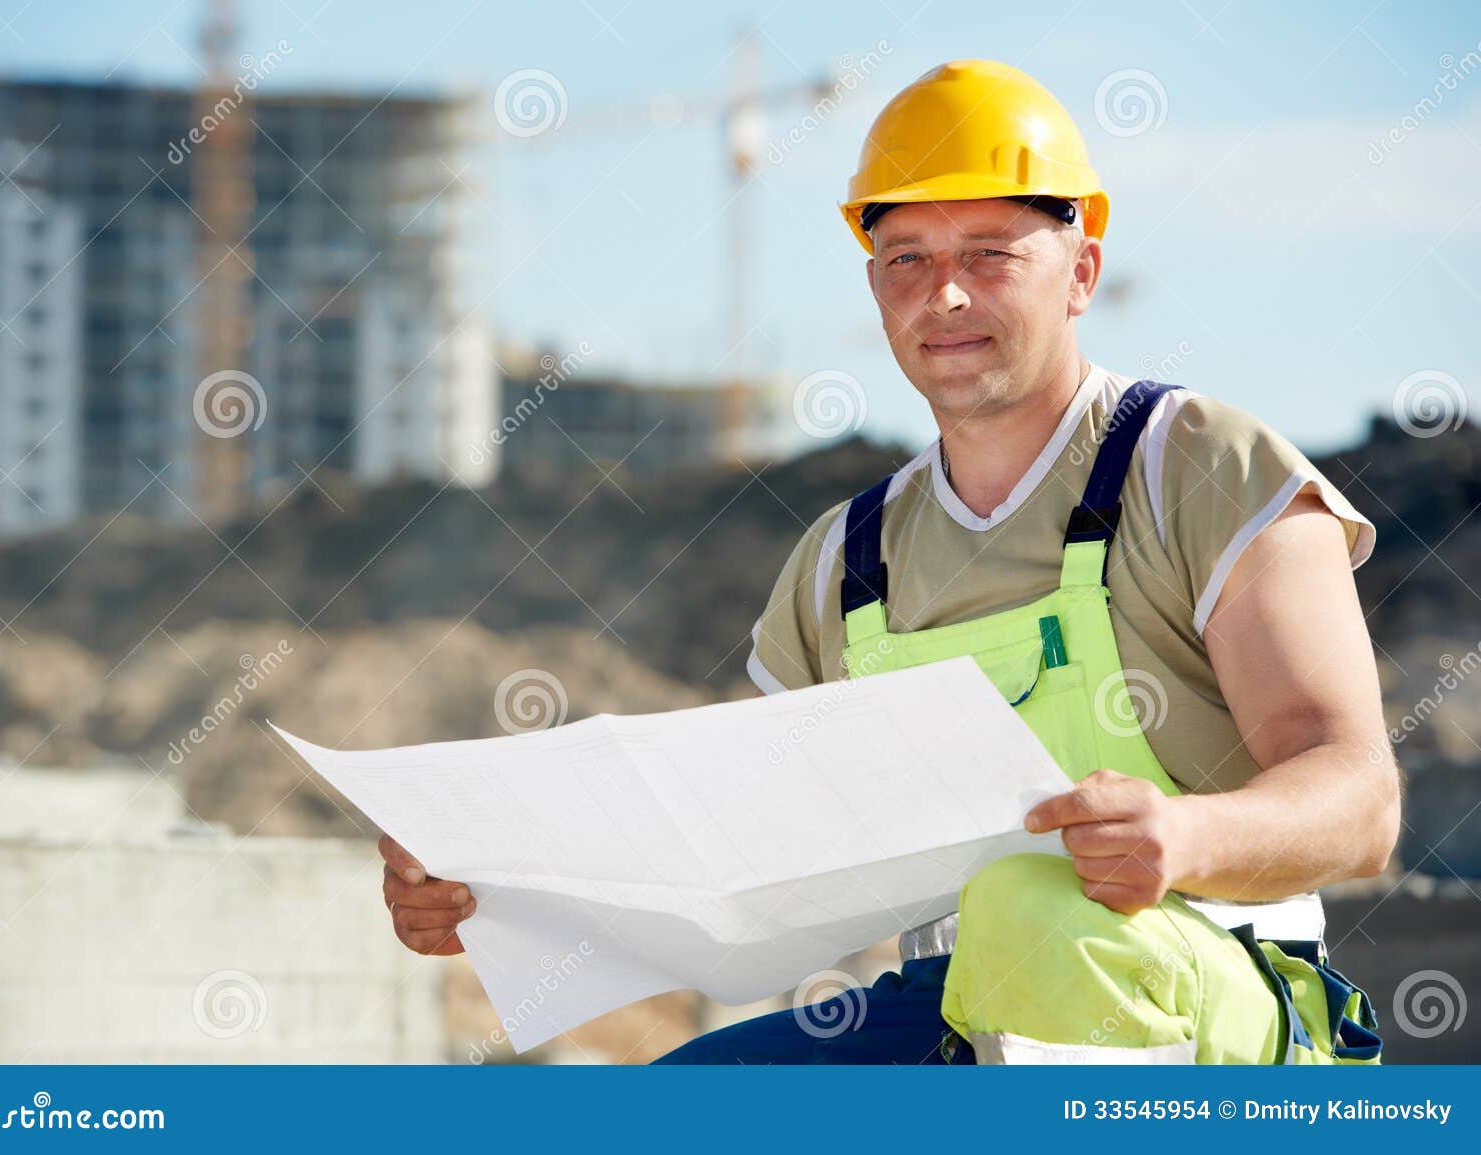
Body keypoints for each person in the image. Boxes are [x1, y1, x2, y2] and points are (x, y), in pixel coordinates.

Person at [378, 58, 1399, 1065]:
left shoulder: (1204, 467)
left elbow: (1360, 801)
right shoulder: (845, 562)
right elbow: (745, 853)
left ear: (1081, 270)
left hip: (1211, 997)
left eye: (990, 252)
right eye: (905, 258)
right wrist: (500, 891)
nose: (944, 294)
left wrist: (1185, 837)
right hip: (959, 1009)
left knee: (1034, 914)